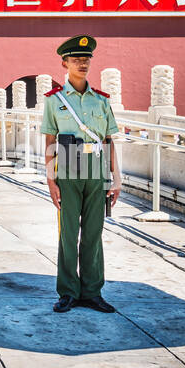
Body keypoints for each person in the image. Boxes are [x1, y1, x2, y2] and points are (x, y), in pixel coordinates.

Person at [42, 35, 121, 314]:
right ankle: (68, 292)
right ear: (65, 62)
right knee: (68, 234)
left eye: (86, 59)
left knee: (93, 234)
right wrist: (51, 180)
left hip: (96, 170)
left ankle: (92, 292)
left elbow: (108, 140)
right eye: (76, 59)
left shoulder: (101, 100)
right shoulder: (54, 101)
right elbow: (50, 142)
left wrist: (116, 177)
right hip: (68, 168)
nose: (82, 63)